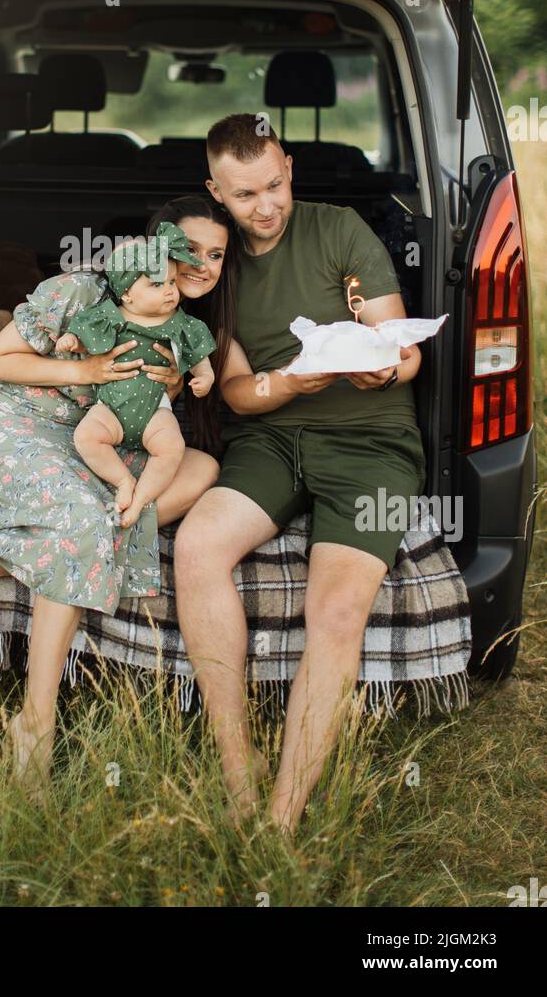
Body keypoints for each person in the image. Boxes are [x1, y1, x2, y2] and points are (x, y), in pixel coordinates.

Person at [174, 114, 425, 834]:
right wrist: (287, 386)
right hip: (272, 438)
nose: (267, 205)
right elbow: (236, 392)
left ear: (289, 166)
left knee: (339, 611)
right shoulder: (212, 262)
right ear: (215, 191)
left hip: (373, 444)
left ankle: (281, 818)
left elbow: (403, 349)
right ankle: (238, 773)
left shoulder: (340, 228)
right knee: (196, 549)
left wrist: (385, 366)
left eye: (276, 184)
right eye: (246, 193)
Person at [0, 196, 234, 795]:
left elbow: (139, 421)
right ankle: (34, 723)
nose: (200, 265)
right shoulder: (81, 291)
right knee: (85, 519)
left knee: (201, 466)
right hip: (20, 417)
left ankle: (18, 552)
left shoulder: (175, 322)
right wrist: (88, 370)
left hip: (93, 439)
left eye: (214, 255)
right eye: (189, 249)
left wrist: (179, 383)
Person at [55, 221, 216, 527]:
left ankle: (141, 498)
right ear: (126, 294)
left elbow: (198, 354)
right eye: (156, 285)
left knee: (172, 449)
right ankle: (123, 480)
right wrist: (71, 341)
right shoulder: (110, 317)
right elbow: (84, 336)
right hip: (110, 408)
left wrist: (205, 377)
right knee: (86, 437)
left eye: (171, 282)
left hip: (155, 409)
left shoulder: (180, 323)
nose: (169, 292)